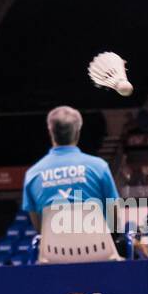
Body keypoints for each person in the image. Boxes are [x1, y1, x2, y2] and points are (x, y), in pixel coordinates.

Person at [23, 107, 123, 262]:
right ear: (78, 131)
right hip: (101, 257)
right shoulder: (99, 167)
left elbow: (39, 227)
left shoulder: (33, 174)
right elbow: (115, 221)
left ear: (51, 132)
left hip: (54, 259)